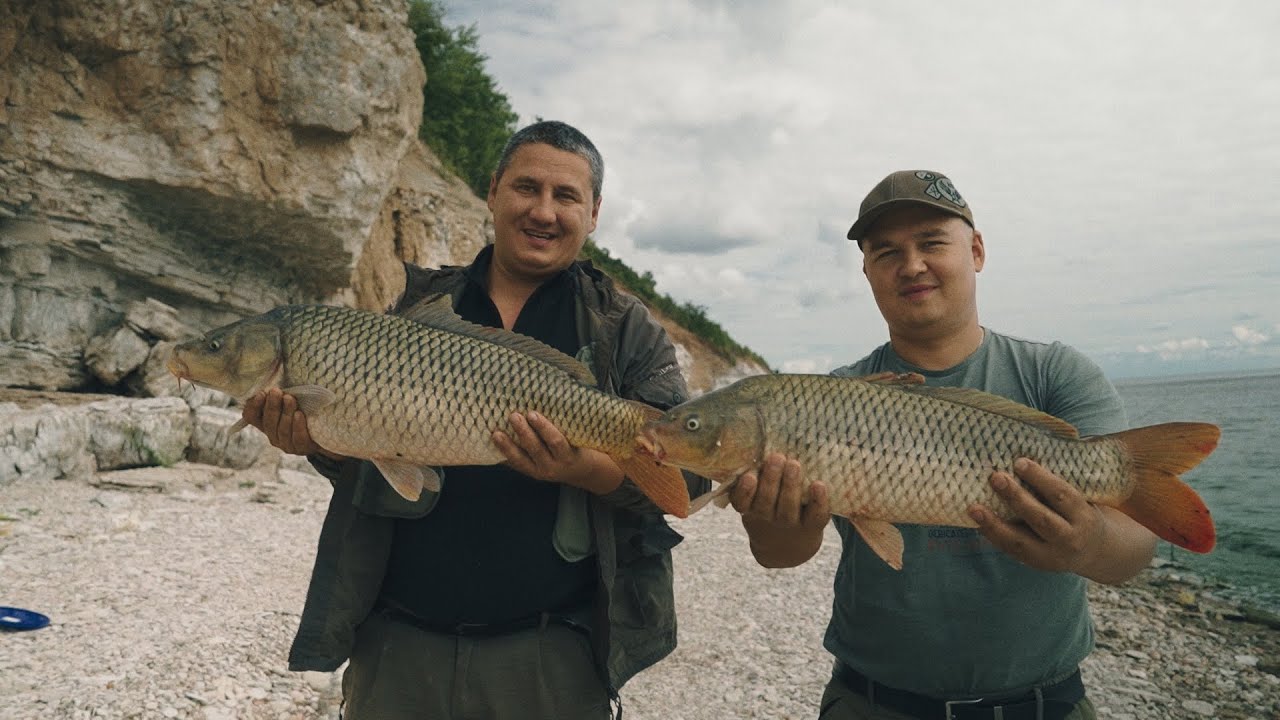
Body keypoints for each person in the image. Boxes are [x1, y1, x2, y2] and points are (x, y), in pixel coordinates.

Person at [240, 120, 708, 719]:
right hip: (397, 645)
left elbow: (691, 477)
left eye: (566, 196)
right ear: (492, 191)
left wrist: (588, 470)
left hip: (552, 659)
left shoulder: (625, 330)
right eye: (526, 188)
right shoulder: (416, 311)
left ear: (593, 214)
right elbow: (370, 462)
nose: (543, 211)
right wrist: (316, 443)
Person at [729, 170, 1155, 720]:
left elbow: (1134, 553)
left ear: (976, 251)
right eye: (886, 253)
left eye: (931, 242)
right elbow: (779, 555)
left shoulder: (1055, 375)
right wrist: (778, 521)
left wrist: (1089, 538)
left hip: (1043, 704)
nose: (911, 266)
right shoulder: (830, 397)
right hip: (872, 702)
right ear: (867, 272)